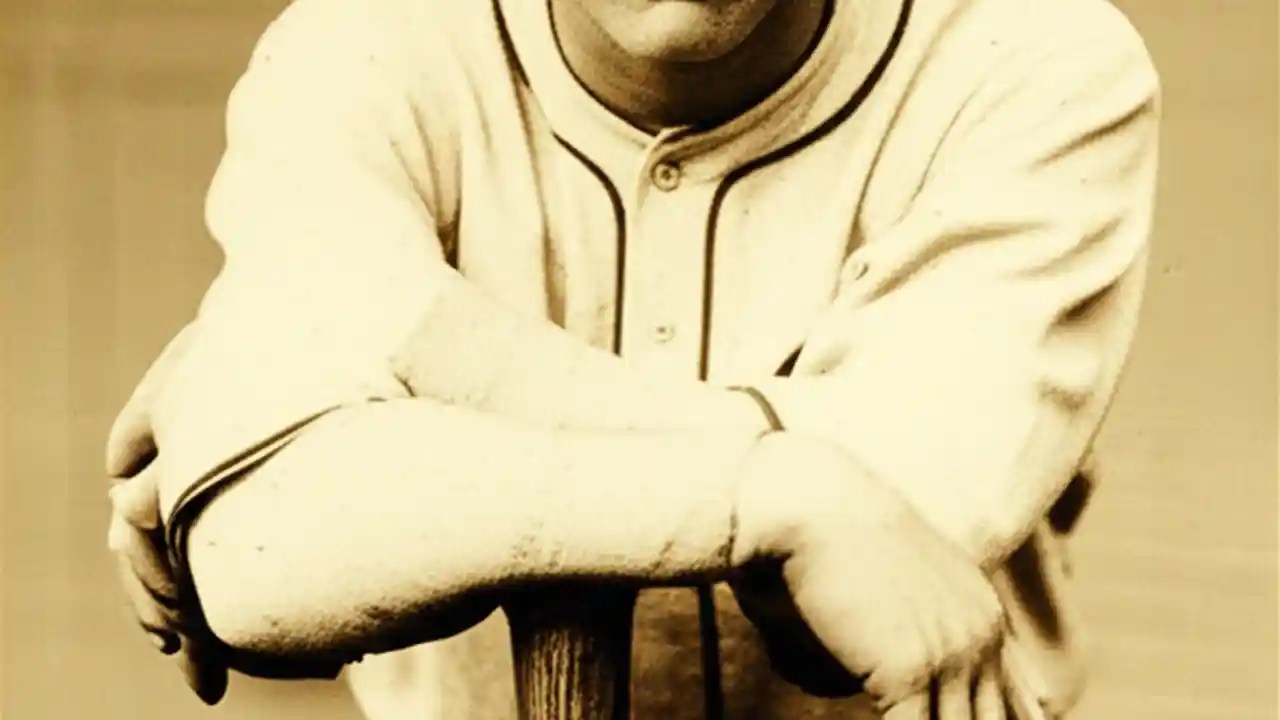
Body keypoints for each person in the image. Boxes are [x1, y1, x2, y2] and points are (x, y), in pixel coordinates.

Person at [104, 0, 1160, 717]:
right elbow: (260, 566)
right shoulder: (357, 45)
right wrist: (771, 488)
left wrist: (414, 336)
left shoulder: (1035, 59)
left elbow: (848, 592)